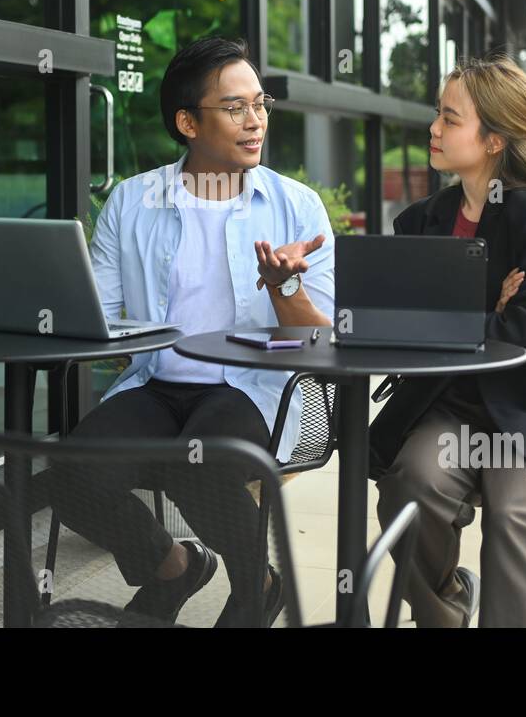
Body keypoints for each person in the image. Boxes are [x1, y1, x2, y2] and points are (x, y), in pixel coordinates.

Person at [50, 36, 335, 627]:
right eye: (236, 107)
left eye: (260, 103)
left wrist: (284, 287)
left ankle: (255, 585)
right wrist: (52, 307)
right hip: (156, 382)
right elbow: (100, 317)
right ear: (187, 122)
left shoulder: (296, 206)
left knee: (199, 462)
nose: (255, 120)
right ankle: (173, 566)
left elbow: (323, 342)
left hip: (251, 387)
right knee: (71, 475)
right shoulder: (133, 201)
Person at [369, 53, 526, 628]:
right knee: (411, 483)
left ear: (494, 138)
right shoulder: (420, 222)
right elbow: (406, 330)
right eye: (438, 115)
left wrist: (459, 322)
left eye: (450, 119)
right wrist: (488, 312)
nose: (434, 128)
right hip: (452, 406)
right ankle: (445, 614)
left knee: (514, 512)